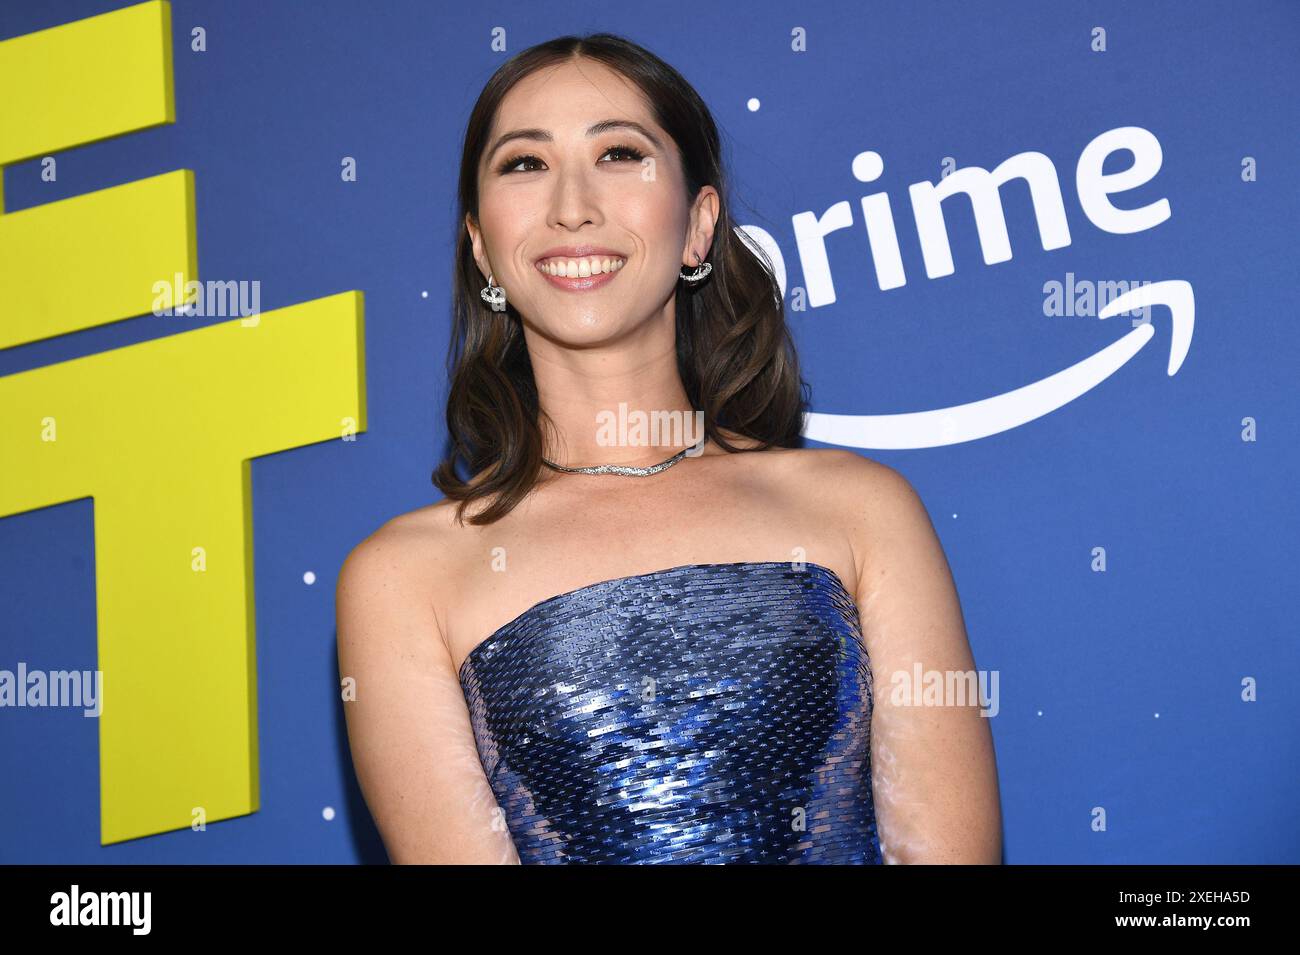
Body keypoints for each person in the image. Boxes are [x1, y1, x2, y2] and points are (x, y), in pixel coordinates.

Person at [336, 33, 1002, 864]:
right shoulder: (403, 577)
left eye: (620, 153)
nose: (571, 204)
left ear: (698, 224)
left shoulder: (859, 509)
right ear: (480, 249)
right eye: (523, 164)